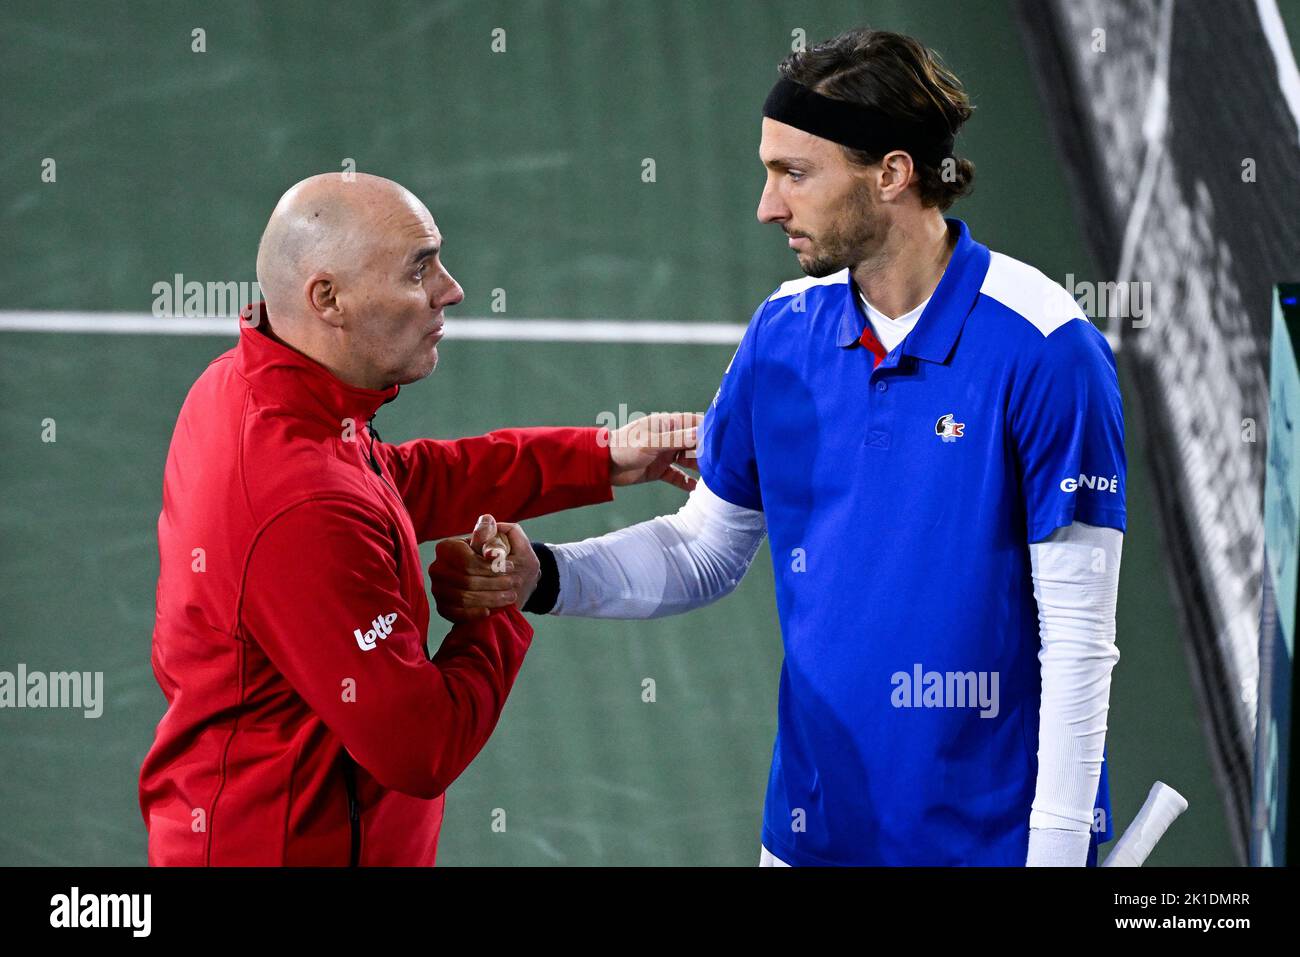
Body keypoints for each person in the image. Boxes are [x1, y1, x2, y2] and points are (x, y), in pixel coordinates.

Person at [430, 29, 1126, 867]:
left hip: (988, 846)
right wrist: (542, 573)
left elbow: (1080, 638)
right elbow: (703, 550)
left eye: (794, 174)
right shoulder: (783, 333)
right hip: (812, 833)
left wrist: (1052, 857)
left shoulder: (1048, 349)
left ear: (893, 173)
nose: (767, 206)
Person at [138, 172, 698, 865]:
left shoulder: (254, 388)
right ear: (328, 298)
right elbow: (421, 746)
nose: (451, 289)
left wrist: (602, 455)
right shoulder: (301, 502)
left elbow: (392, 482)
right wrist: (494, 604)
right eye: (419, 269)